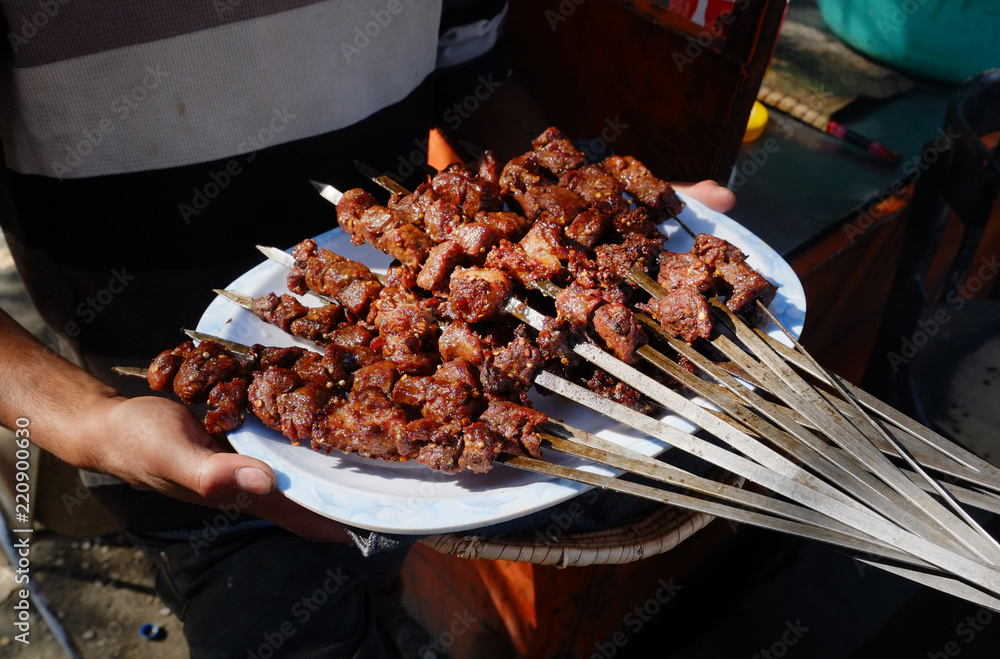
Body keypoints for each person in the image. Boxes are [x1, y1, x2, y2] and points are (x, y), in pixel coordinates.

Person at [0, 1, 735, 655]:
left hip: (428, 442)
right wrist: (82, 421)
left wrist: (589, 202)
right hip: (167, 430)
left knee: (378, 562)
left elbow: (468, 65)